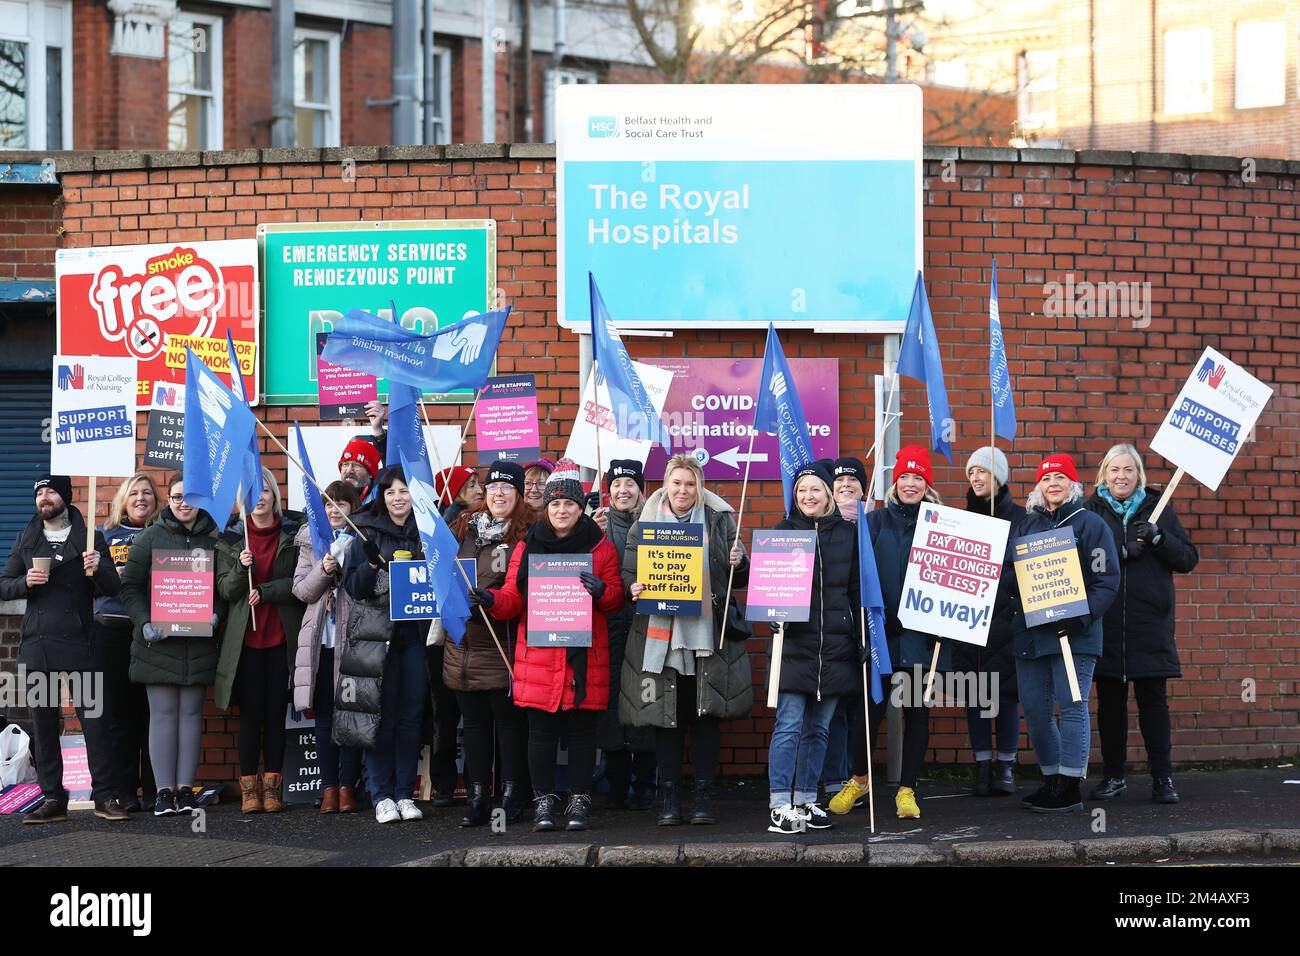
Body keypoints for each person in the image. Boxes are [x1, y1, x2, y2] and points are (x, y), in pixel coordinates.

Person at [479, 459, 625, 832]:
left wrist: (602, 591)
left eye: (570, 505)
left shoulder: (601, 547)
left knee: (581, 737)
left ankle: (579, 803)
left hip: (584, 659)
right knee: (540, 737)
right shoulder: (527, 547)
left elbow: (615, 602)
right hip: (539, 658)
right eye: (556, 505)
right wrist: (491, 600)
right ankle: (542, 803)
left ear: (580, 509)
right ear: (547, 508)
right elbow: (513, 598)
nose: (562, 511)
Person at [620, 454, 753, 827]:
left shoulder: (720, 519)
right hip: (660, 638)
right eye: (676, 483)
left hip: (707, 636)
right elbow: (628, 573)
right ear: (666, 484)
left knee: (705, 717)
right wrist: (634, 586)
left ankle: (705, 796)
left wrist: (738, 562)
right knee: (668, 720)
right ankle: (669, 797)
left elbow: (739, 580)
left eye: (690, 484)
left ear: (700, 487)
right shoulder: (643, 523)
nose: (683, 490)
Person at [831, 446, 946, 820]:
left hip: (920, 638)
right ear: (894, 481)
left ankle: (907, 789)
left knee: (918, 714)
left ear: (927, 484)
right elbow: (856, 577)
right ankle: (859, 779)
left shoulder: (940, 523)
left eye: (918, 477)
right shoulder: (874, 521)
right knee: (869, 713)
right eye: (904, 477)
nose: (910, 484)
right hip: (879, 636)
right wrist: (868, 623)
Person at [0, 475, 123, 823]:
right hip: (38, 645)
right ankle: (53, 798)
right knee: (43, 724)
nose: (44, 497)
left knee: (95, 724)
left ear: (65, 498)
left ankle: (105, 797)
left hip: (81, 644)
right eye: (39, 492)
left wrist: (97, 569)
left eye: (50, 491)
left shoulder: (89, 538)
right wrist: (24, 582)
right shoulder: (27, 539)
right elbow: (3, 585)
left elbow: (113, 586)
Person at [1085, 444, 1198, 804]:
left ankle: (1162, 779)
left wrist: (1159, 539)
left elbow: (1187, 559)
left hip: (1150, 624)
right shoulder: (1090, 512)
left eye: (1128, 470)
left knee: (1153, 704)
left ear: (1138, 475)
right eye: (1114, 470)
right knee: (1111, 707)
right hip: (1106, 626)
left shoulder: (1157, 509)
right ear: (1104, 474)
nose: (1121, 476)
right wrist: (1116, 552)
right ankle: (1115, 776)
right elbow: (1079, 559)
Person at [1011, 453, 1119, 813]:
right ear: (1039, 486)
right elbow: (1013, 578)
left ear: (1073, 484)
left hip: (1075, 635)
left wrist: (1081, 617)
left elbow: (1107, 580)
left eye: (1060, 477)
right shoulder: (1026, 526)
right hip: (1031, 635)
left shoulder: (1090, 524)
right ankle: (1052, 779)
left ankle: (1071, 784)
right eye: (1046, 478)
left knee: (1072, 707)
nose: (1053, 483)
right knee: (1036, 709)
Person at [119, 474, 221, 817]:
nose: (183, 503)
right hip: (158, 644)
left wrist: (216, 615)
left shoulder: (215, 539)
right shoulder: (149, 538)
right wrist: (143, 622)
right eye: (177, 497)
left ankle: (186, 791)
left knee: (191, 715)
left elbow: (223, 589)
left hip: (198, 643)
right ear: (169, 499)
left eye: (189, 496)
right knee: (162, 716)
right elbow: (130, 587)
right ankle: (164, 792)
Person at [766, 462, 860, 834]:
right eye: (802, 489)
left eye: (815, 489)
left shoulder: (849, 536)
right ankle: (779, 804)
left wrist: (863, 638)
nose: (808, 496)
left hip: (835, 648)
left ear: (829, 495)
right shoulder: (782, 532)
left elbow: (856, 591)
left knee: (819, 730)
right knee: (788, 726)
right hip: (794, 647)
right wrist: (772, 615)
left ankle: (805, 799)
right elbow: (768, 589)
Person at [340, 466, 430, 824]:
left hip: (415, 638)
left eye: (404, 490)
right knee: (379, 718)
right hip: (377, 639)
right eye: (390, 491)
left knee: (410, 718)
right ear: (381, 495)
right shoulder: (364, 529)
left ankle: (405, 794)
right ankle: (381, 795)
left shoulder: (426, 531)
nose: (397, 497)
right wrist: (373, 566)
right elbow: (353, 587)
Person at [443, 461, 531, 826]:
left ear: (519, 495)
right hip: (461, 647)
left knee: (509, 727)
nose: (498, 493)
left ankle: (512, 796)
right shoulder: (462, 528)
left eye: (507, 488)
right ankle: (477, 796)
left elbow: (523, 593)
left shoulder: (527, 535)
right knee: (474, 726)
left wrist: (492, 600)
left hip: (504, 647)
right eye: (493, 487)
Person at [214, 469, 306, 814]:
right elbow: (225, 589)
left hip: (282, 638)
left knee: (276, 714)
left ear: (274, 495)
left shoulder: (294, 534)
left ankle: (272, 789)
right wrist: (240, 568)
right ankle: (249, 789)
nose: (260, 498)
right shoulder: (231, 539)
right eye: (252, 492)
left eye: (265, 490)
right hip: (246, 642)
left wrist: (266, 592)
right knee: (251, 716)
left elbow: (300, 586)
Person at [291, 480, 363, 814]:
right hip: (320, 642)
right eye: (329, 505)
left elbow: (369, 587)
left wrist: (345, 568)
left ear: (352, 510)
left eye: (342, 505)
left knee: (348, 719)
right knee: (323, 719)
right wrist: (324, 569)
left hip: (353, 638)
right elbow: (302, 591)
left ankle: (348, 788)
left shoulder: (362, 541)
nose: (335, 511)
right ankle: (329, 788)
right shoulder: (309, 542)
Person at [953, 446, 1022, 797]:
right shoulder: (962, 521)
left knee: (1006, 697)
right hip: (971, 622)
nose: (976, 478)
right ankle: (982, 765)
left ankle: (1006, 766)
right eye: (971, 474)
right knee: (975, 695)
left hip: (1008, 624)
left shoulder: (1023, 519)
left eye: (982, 471)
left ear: (999, 476)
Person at [591, 459, 657, 811]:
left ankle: (646, 782)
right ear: (608, 490)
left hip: (646, 628)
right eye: (616, 484)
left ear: (641, 489)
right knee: (611, 704)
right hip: (608, 629)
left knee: (646, 701)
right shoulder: (596, 527)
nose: (623, 490)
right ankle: (616, 782)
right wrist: (591, 533)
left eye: (630, 483)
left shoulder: (656, 524)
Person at [95, 471, 162, 812]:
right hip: (112, 629)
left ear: (156, 500)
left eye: (147, 493)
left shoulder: (163, 534)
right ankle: (124, 792)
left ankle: (154, 791)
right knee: (119, 715)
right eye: (134, 492)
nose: (140, 498)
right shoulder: (104, 535)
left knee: (151, 713)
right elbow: (88, 585)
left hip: (152, 632)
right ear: (123, 498)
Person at [820, 455, 867, 803]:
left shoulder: (873, 523)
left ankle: (858, 776)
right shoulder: (826, 526)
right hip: (834, 631)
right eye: (840, 485)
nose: (846, 488)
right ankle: (837, 776)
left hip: (868, 631)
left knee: (861, 709)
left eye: (853, 483)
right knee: (834, 709)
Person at [338, 437, 382, 503]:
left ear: (370, 473)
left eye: (356, 465)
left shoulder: (381, 500)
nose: (349, 470)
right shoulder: (332, 498)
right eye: (345, 464)